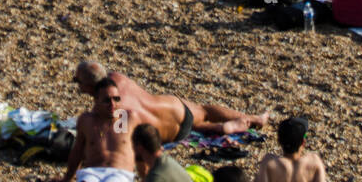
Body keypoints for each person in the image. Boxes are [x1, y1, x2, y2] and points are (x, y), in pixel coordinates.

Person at [74, 61, 270, 143]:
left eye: (78, 82)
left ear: (89, 87)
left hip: (169, 134)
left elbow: (119, 142)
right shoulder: (118, 77)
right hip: (173, 107)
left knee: (193, 128)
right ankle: (253, 119)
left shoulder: (107, 110)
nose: (77, 86)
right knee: (204, 110)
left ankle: (221, 128)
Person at [64, 76, 137, 182]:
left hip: (119, 173)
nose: (112, 104)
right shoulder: (86, 120)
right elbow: (78, 150)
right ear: (96, 101)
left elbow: (146, 147)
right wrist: (67, 177)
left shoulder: (130, 118)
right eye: (106, 100)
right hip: (92, 171)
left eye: (116, 99)